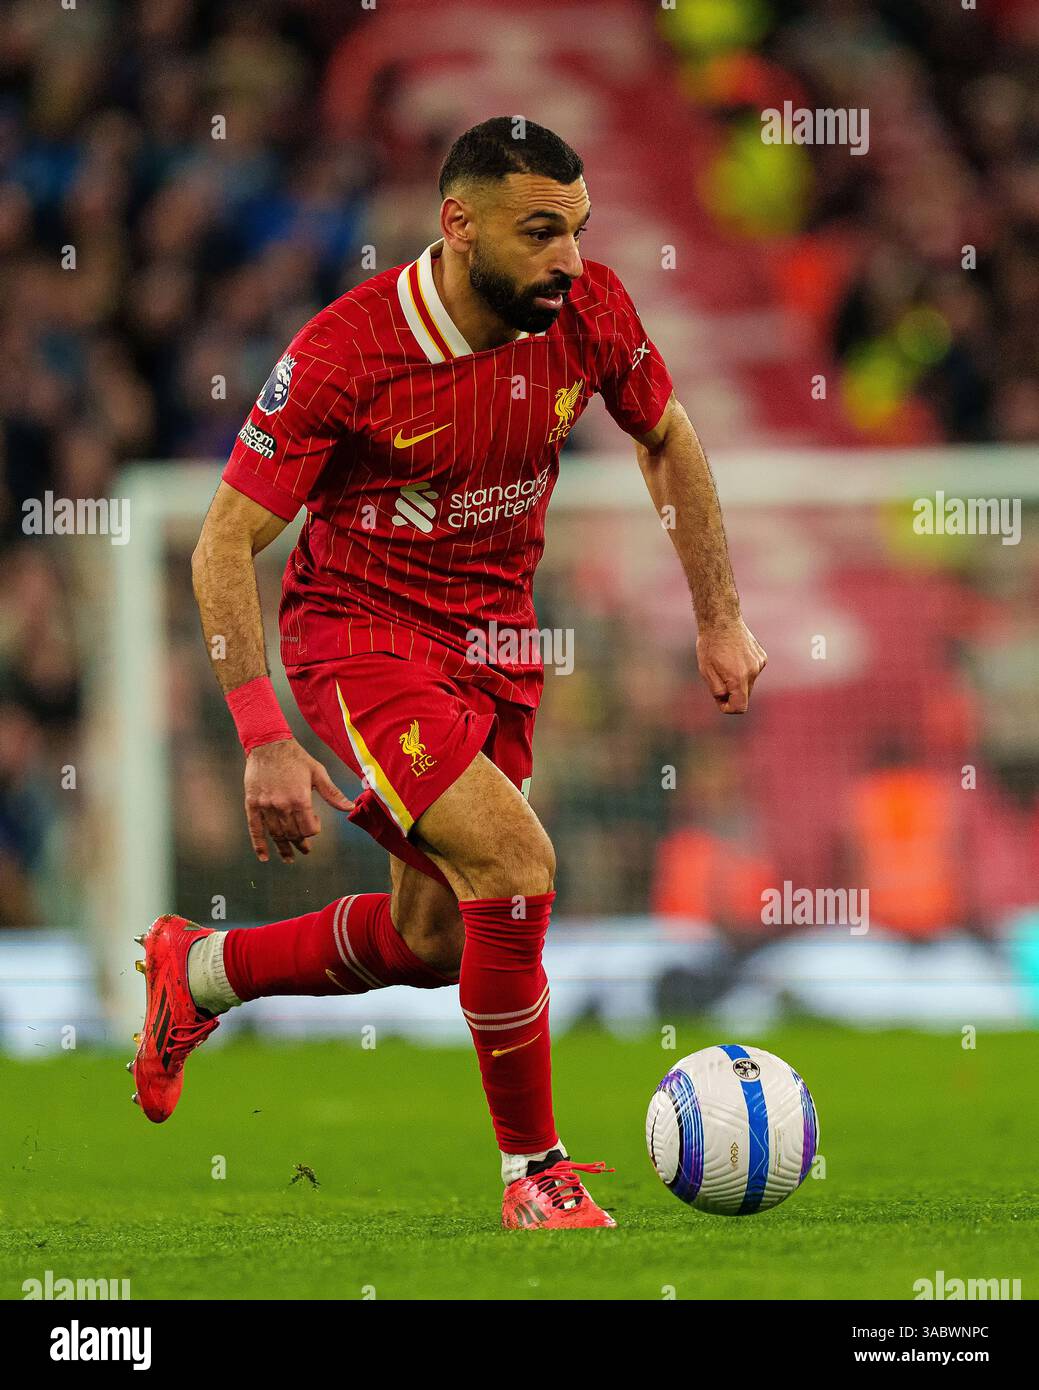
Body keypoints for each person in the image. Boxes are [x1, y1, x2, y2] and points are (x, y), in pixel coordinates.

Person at [129, 117, 766, 1229]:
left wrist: (719, 616)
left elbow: (667, 436)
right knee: (518, 862)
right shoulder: (348, 353)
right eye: (538, 233)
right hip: (361, 641)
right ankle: (536, 1174)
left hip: (497, 647)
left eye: (576, 230)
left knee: (436, 940)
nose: (567, 260)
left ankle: (202, 971)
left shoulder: (590, 310)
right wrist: (262, 731)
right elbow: (223, 540)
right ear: (456, 226)